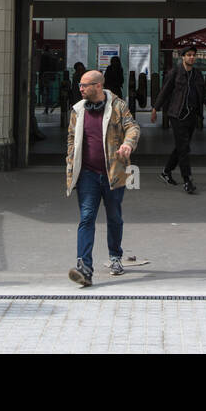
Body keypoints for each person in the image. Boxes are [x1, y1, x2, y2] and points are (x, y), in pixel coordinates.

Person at [64, 69, 139, 286]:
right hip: (87, 174)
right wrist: (70, 158)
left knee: (114, 217)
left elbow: (132, 127)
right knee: (86, 218)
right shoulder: (78, 110)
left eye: (84, 85)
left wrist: (127, 144)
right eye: (80, 85)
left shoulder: (118, 106)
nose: (80, 88)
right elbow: (71, 137)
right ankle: (84, 268)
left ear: (98, 86)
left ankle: (115, 256)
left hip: (113, 173)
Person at [151, 46, 206, 195]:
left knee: (183, 146)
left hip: (192, 115)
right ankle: (187, 180)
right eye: (188, 55)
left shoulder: (197, 74)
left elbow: (204, 91)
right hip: (177, 114)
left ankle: (166, 171)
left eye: (193, 55)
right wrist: (156, 108)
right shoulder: (175, 73)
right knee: (183, 147)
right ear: (182, 57)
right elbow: (165, 91)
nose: (192, 57)